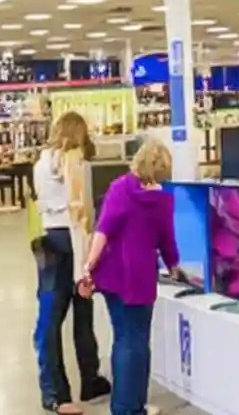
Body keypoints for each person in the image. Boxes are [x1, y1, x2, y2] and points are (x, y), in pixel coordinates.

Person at [79, 140, 180, 415]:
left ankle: (125, 406)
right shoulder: (162, 200)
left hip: (111, 275)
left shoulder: (119, 187)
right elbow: (167, 241)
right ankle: (131, 408)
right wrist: (174, 267)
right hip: (139, 278)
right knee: (136, 343)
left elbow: (103, 230)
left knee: (122, 339)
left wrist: (89, 266)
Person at [31, 112, 108, 414]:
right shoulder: (79, 164)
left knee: (52, 316)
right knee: (80, 313)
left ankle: (57, 391)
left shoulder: (41, 164)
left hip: (50, 239)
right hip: (77, 240)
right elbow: (84, 208)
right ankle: (86, 380)